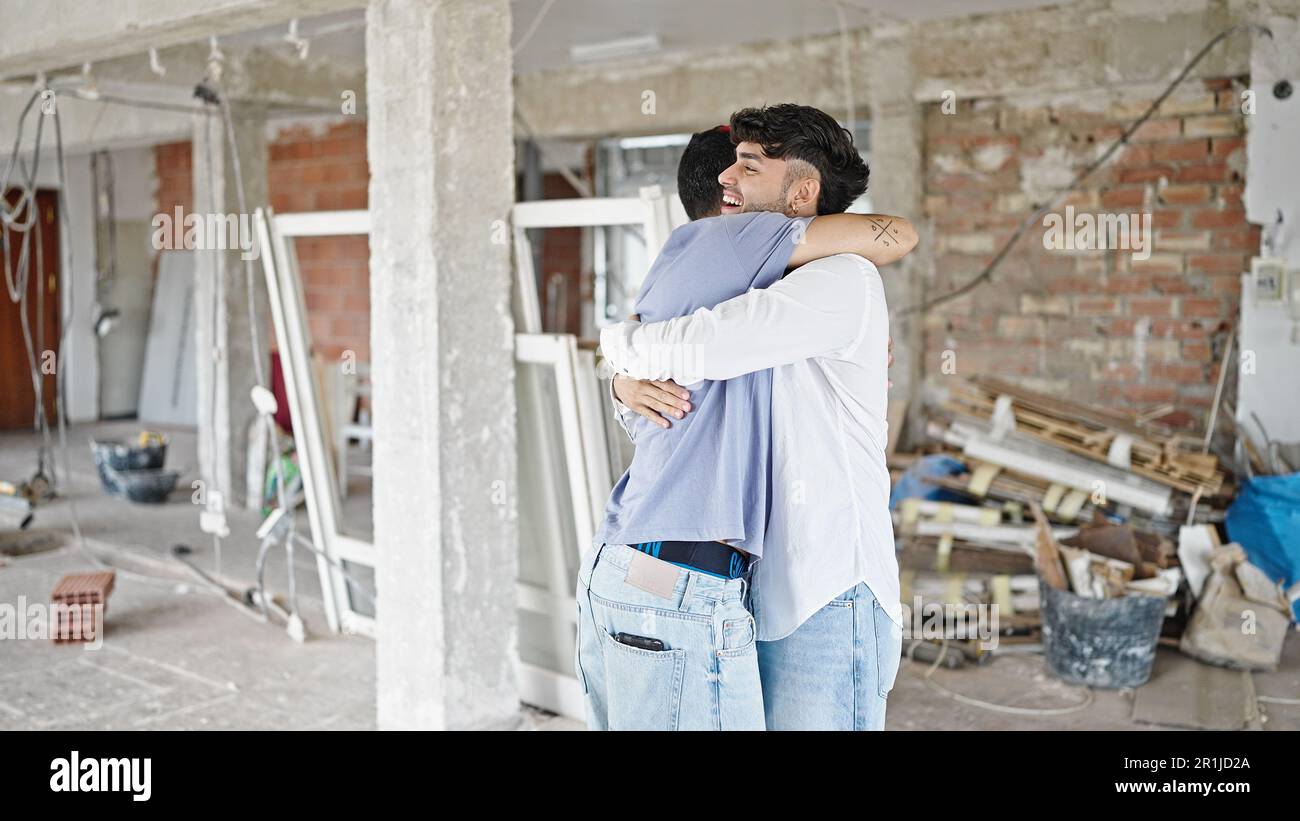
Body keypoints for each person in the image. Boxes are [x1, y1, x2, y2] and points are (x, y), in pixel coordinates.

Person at [576, 104, 915, 730]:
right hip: (752, 583)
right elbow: (684, 403)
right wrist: (626, 387)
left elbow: (708, 344)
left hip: (828, 585)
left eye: (749, 167)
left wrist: (617, 346)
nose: (728, 180)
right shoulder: (754, 278)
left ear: (803, 192)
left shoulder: (843, 279)